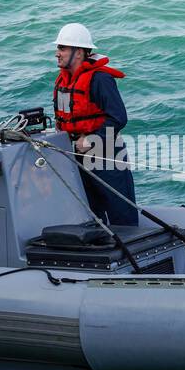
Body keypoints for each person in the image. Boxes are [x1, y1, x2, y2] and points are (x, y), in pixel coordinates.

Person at [51, 23, 138, 226]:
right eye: (59, 48)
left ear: (79, 52)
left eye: (62, 48)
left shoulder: (100, 79)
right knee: (90, 211)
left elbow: (118, 117)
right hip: (77, 155)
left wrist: (92, 139)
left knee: (121, 212)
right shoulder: (64, 81)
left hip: (106, 154)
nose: (57, 53)